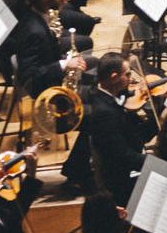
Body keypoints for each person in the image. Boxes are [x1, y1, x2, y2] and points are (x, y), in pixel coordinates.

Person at [67, 53, 161, 199]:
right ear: (114, 77)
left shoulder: (110, 100)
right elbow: (124, 157)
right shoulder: (105, 112)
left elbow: (138, 137)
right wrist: (158, 162)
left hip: (127, 170)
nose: (132, 80)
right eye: (128, 75)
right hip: (120, 186)